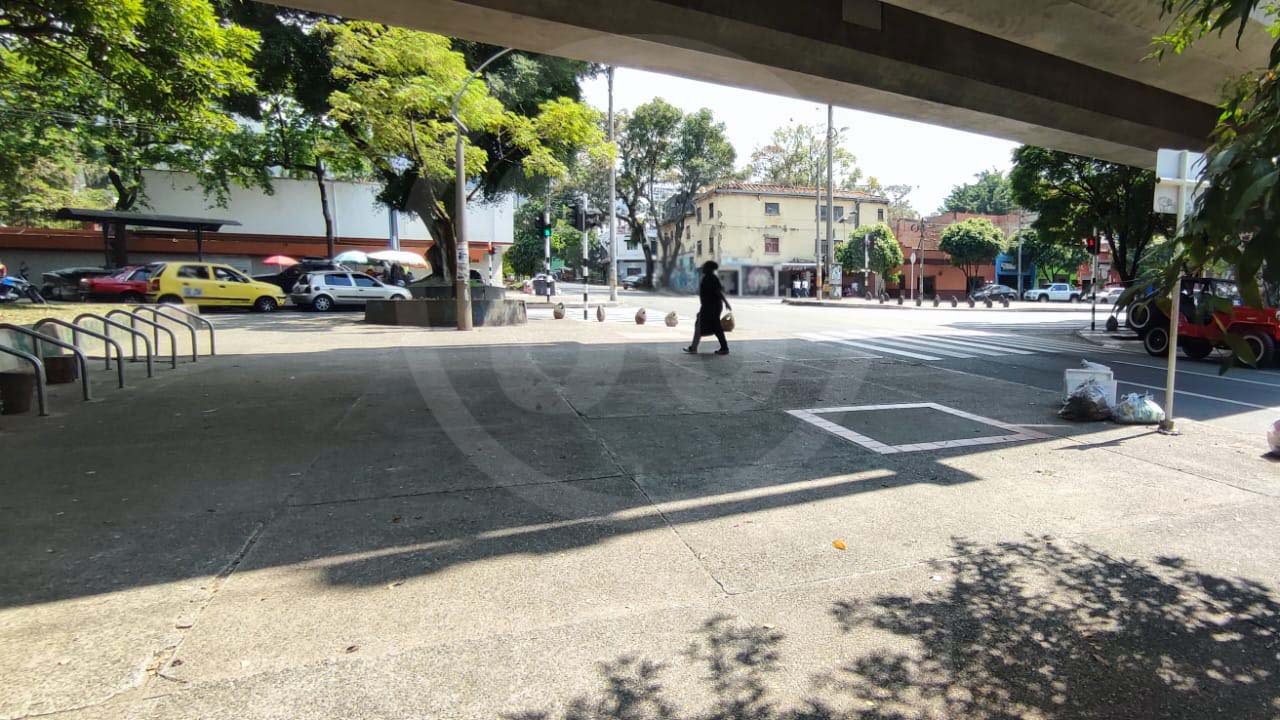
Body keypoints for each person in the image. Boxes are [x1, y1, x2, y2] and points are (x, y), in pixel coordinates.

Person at [684, 260, 731, 355]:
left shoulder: (710, 278)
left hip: (711, 306)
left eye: (705, 267)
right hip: (711, 305)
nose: (703, 269)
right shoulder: (710, 277)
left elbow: (718, 292)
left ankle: (694, 347)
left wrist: (726, 302)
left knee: (704, 325)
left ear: (709, 269)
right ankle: (694, 347)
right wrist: (725, 303)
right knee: (710, 326)